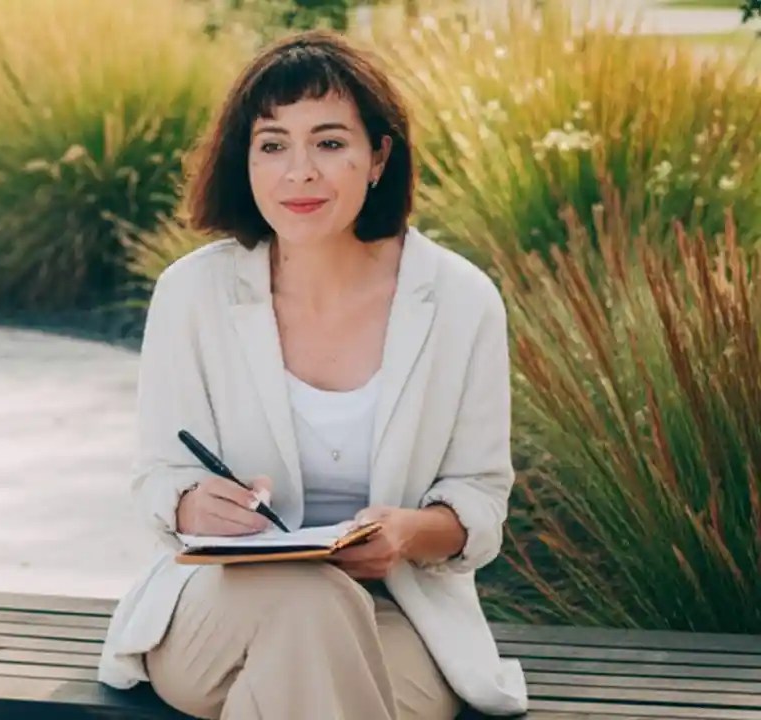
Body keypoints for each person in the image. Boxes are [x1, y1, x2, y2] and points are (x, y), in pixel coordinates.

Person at [96, 29, 530, 720]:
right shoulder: (193, 294)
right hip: (220, 610)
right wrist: (189, 504)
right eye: (272, 145)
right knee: (311, 606)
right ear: (246, 162)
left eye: (329, 143)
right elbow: (156, 475)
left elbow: (479, 500)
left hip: (397, 614)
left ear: (378, 156)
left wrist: (407, 534)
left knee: (308, 664)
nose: (299, 172)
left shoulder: (459, 299)